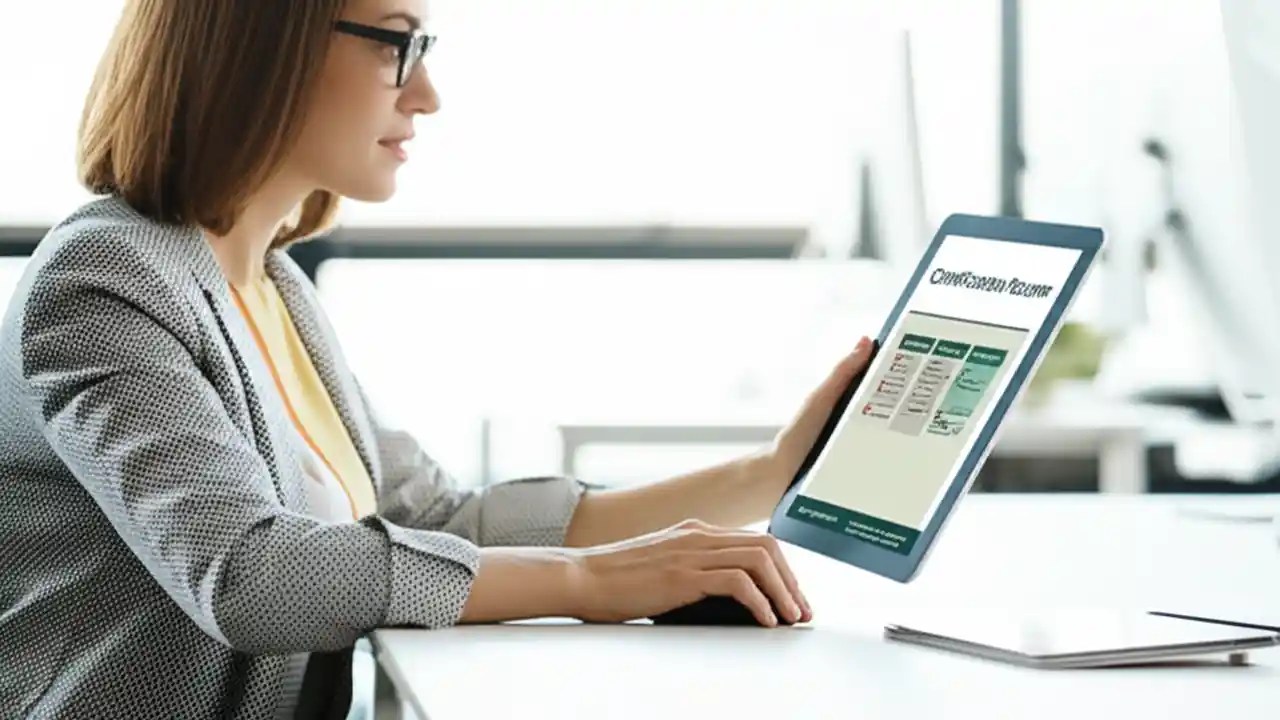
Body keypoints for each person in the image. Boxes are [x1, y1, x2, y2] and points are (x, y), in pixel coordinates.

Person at [0, 0, 873, 717]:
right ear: (263, 41)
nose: (427, 94)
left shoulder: (271, 285)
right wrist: (586, 581)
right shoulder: (105, 280)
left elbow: (441, 519)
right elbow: (249, 575)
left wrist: (769, 476)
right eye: (397, 44)